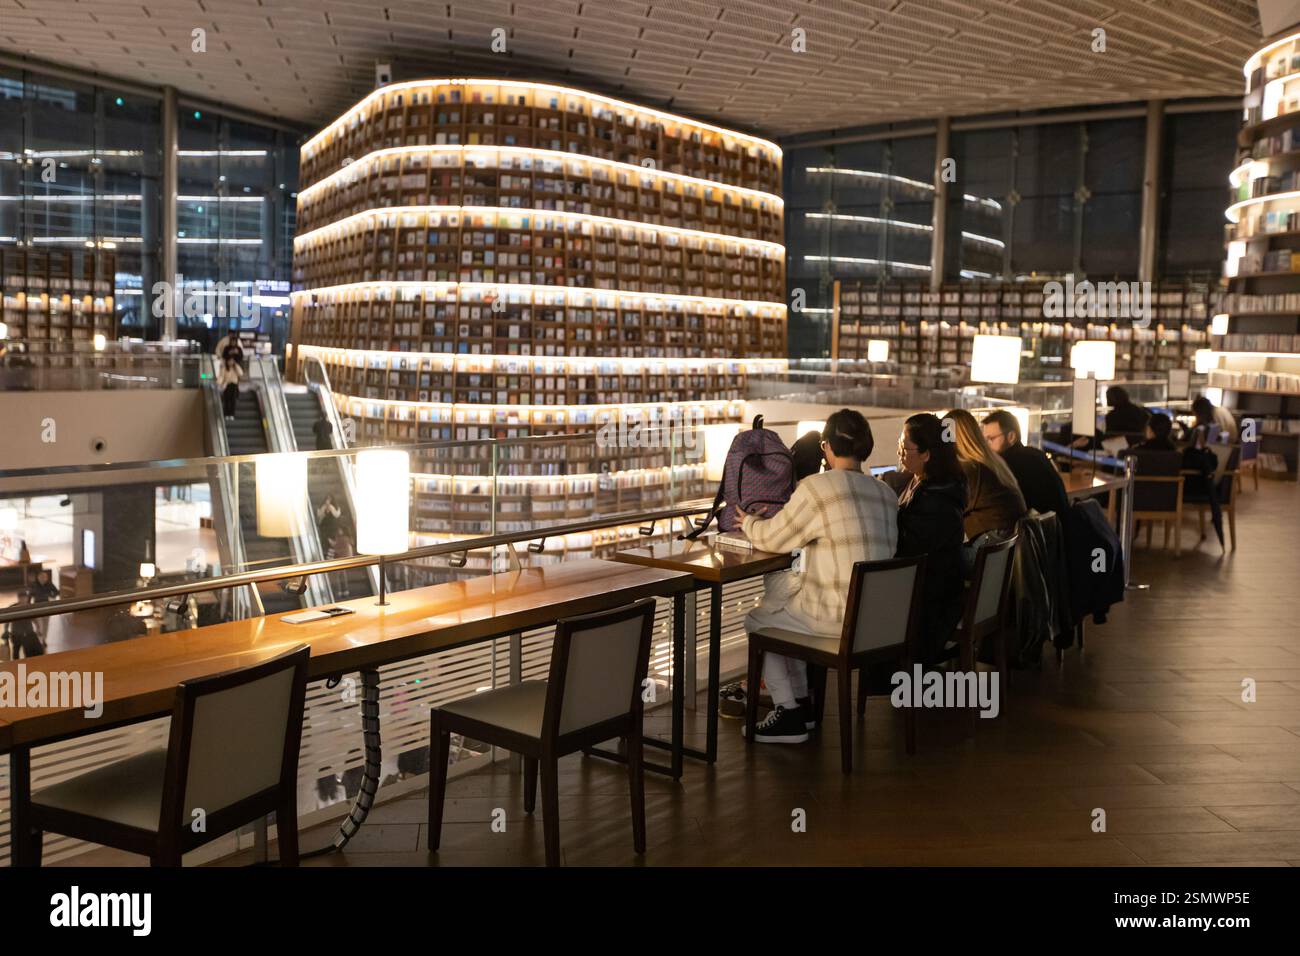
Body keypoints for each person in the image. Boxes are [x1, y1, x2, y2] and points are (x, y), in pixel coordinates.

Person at [739, 409, 899, 744]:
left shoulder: (817, 488)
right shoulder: (886, 494)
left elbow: (773, 538)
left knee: (760, 620)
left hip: (835, 619)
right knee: (783, 613)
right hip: (877, 622)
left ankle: (789, 711)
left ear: (826, 446)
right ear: (867, 447)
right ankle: (803, 708)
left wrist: (747, 523)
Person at [893, 413, 968, 665]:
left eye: (906, 447)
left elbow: (908, 549)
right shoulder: (944, 483)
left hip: (930, 599)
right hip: (943, 586)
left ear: (926, 454)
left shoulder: (935, 501)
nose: (900, 452)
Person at [943, 409, 1027, 548]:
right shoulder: (992, 462)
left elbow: (949, 511)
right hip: (1008, 547)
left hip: (990, 547)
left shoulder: (970, 468)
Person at [981, 410, 1069, 519]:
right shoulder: (1037, 454)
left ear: (1011, 437)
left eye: (991, 439)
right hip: (1060, 527)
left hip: (1037, 532)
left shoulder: (1004, 464)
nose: (987, 445)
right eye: (985, 440)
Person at [2, 590, 45, 659]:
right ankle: (15, 665)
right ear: (18, 598)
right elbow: (7, 621)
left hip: (28, 634)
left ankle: (27, 665)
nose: (23, 599)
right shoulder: (12, 608)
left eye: (25, 597)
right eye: (21, 598)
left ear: (27, 598)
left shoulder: (29, 607)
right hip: (16, 634)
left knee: (28, 652)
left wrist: (38, 629)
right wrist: (6, 630)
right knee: (16, 651)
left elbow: (35, 619)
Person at [30, 567, 59, 640]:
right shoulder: (34, 585)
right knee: (39, 622)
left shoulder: (49, 584)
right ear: (38, 577)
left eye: (44, 577)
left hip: (47, 605)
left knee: (46, 623)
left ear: (46, 578)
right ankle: (39, 630)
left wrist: (51, 596)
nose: (43, 578)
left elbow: (57, 592)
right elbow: (30, 595)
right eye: (41, 577)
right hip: (37, 605)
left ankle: (44, 639)